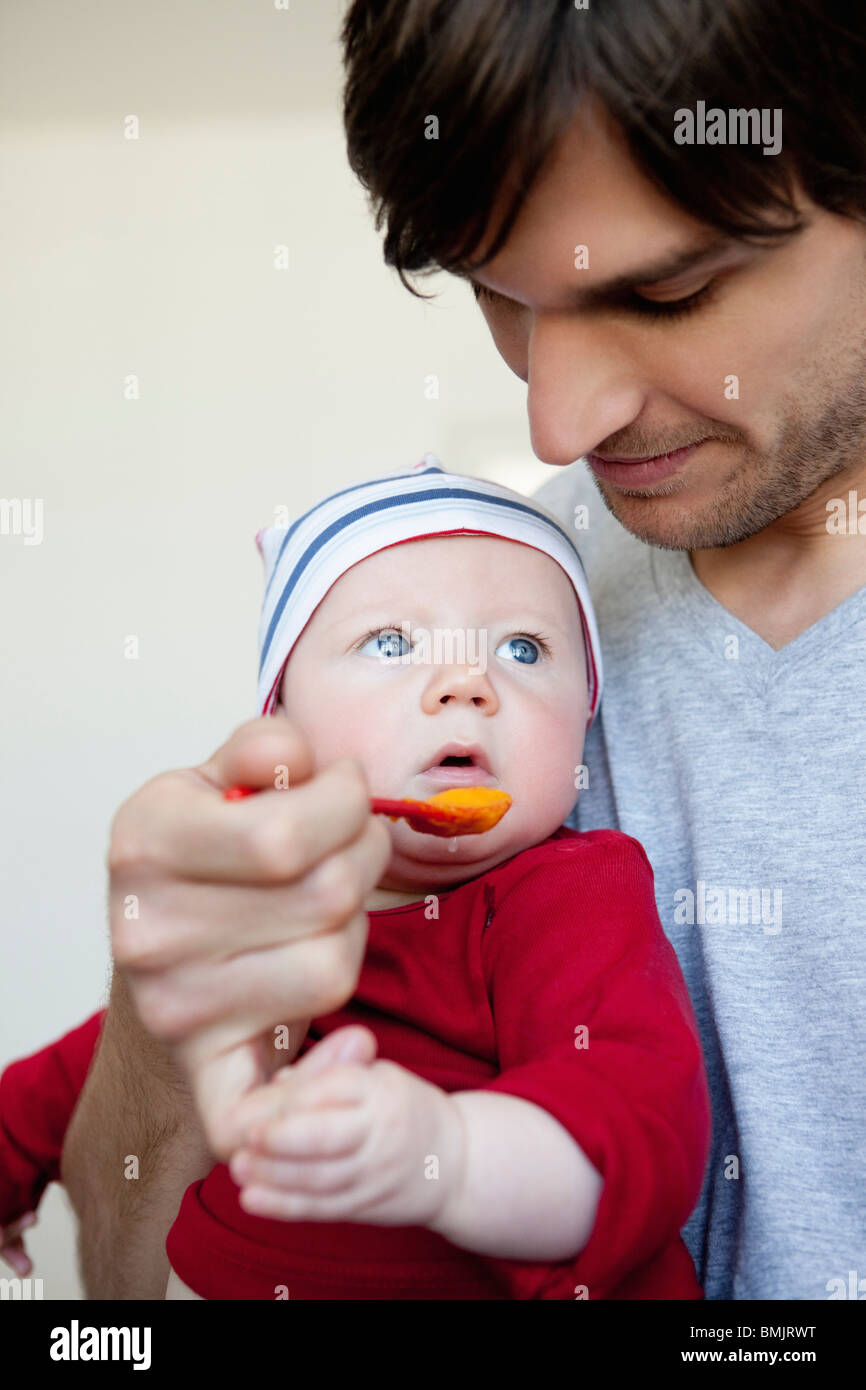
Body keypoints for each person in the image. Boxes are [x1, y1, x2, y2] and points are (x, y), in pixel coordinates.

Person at [57, 0, 866, 1300]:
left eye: (667, 291)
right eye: (496, 292)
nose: (556, 423)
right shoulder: (466, 601)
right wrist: (182, 1011)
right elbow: (126, 1303)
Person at [1, 461, 710, 1300]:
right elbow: (98, 1061)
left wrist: (446, 1156)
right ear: (282, 725)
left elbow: (642, 1118)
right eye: (392, 644)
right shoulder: (264, 908)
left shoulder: (568, 894)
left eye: (523, 648)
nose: (466, 685)